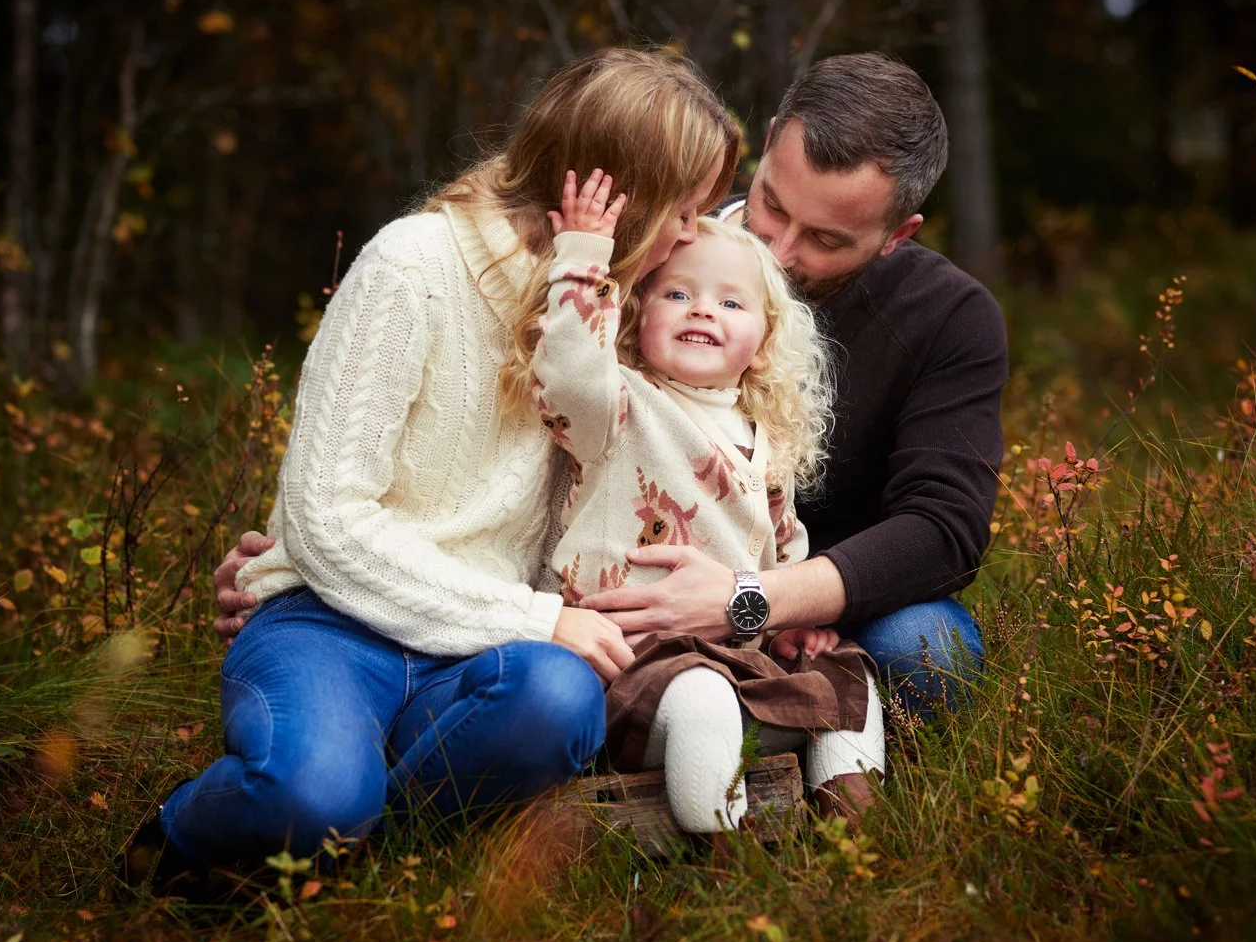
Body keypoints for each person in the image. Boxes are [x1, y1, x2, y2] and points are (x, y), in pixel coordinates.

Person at [218, 54, 1006, 728]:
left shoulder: (951, 318)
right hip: (627, 592)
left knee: (929, 651)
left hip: (813, 596)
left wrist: (755, 600)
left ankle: (818, 765)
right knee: (583, 682)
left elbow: (945, 529)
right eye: (771, 203)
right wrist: (311, 560)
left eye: (827, 239)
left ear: (898, 234)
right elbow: (538, 409)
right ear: (768, 145)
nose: (777, 247)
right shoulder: (656, 248)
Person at [123, 48, 741, 891]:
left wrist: (763, 599)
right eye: (685, 211)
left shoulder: (624, 316)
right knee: (313, 794)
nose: (693, 234)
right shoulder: (413, 265)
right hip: (334, 623)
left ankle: (366, 859)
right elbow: (326, 523)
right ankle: (178, 840)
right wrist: (532, 618)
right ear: (616, 198)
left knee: (561, 701)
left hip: (479, 656)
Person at [535, 168, 883, 833]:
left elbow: (782, 550)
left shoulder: (764, 437)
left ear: (765, 341)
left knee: (848, 673)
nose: (702, 310)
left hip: (746, 666)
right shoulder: (622, 407)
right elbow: (569, 378)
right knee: (704, 694)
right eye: (677, 293)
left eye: (730, 302)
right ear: (637, 317)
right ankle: (727, 852)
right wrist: (583, 258)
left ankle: (854, 832)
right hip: (638, 675)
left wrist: (790, 627)